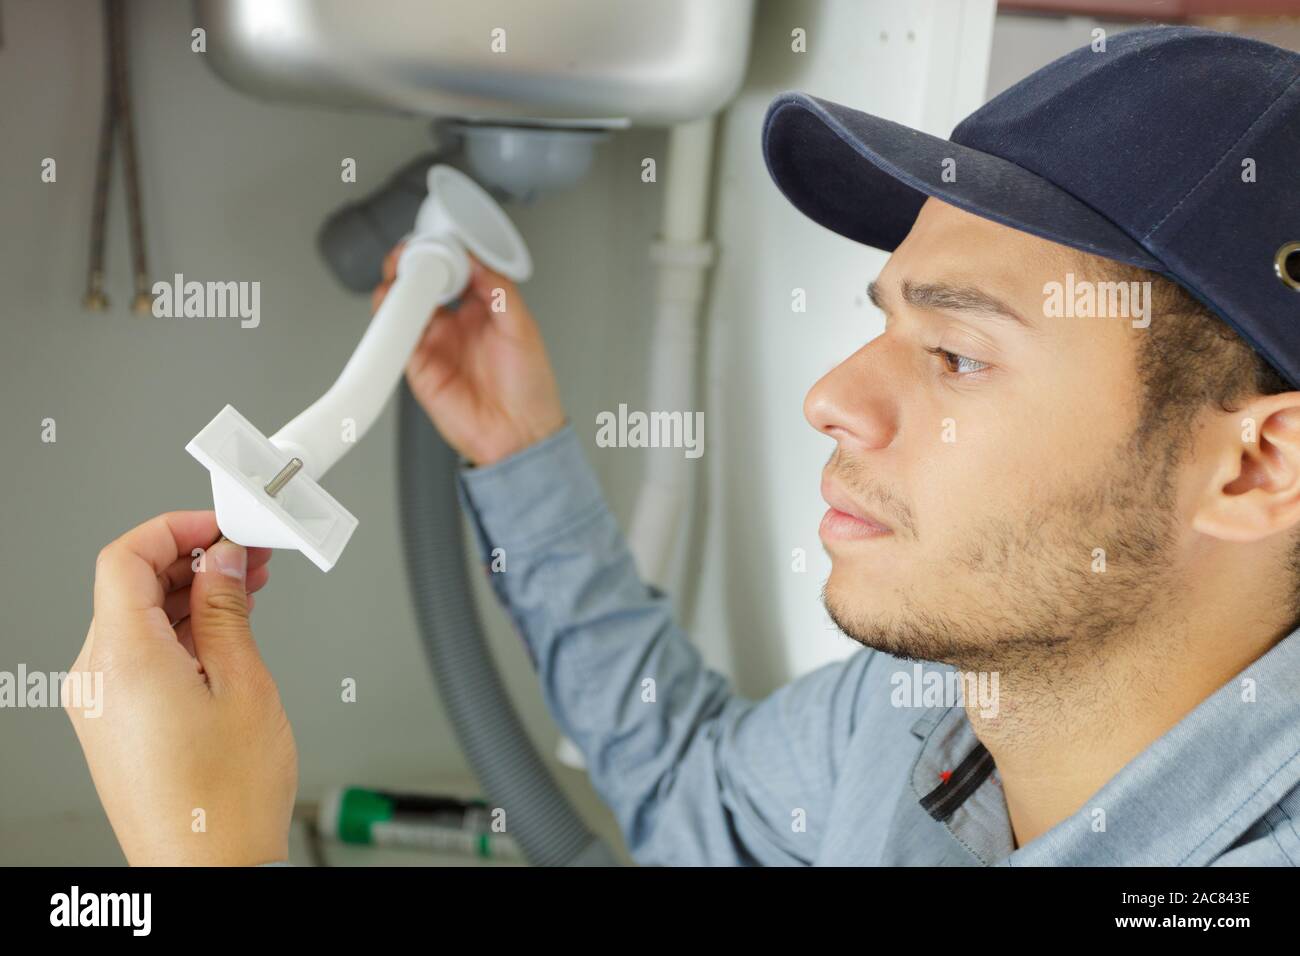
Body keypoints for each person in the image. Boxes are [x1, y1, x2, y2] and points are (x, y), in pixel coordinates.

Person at [68, 25, 1300, 865]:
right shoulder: (934, 704)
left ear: (1255, 466)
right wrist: (521, 451)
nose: (830, 398)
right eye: (888, 319)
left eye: (958, 354)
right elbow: (692, 800)